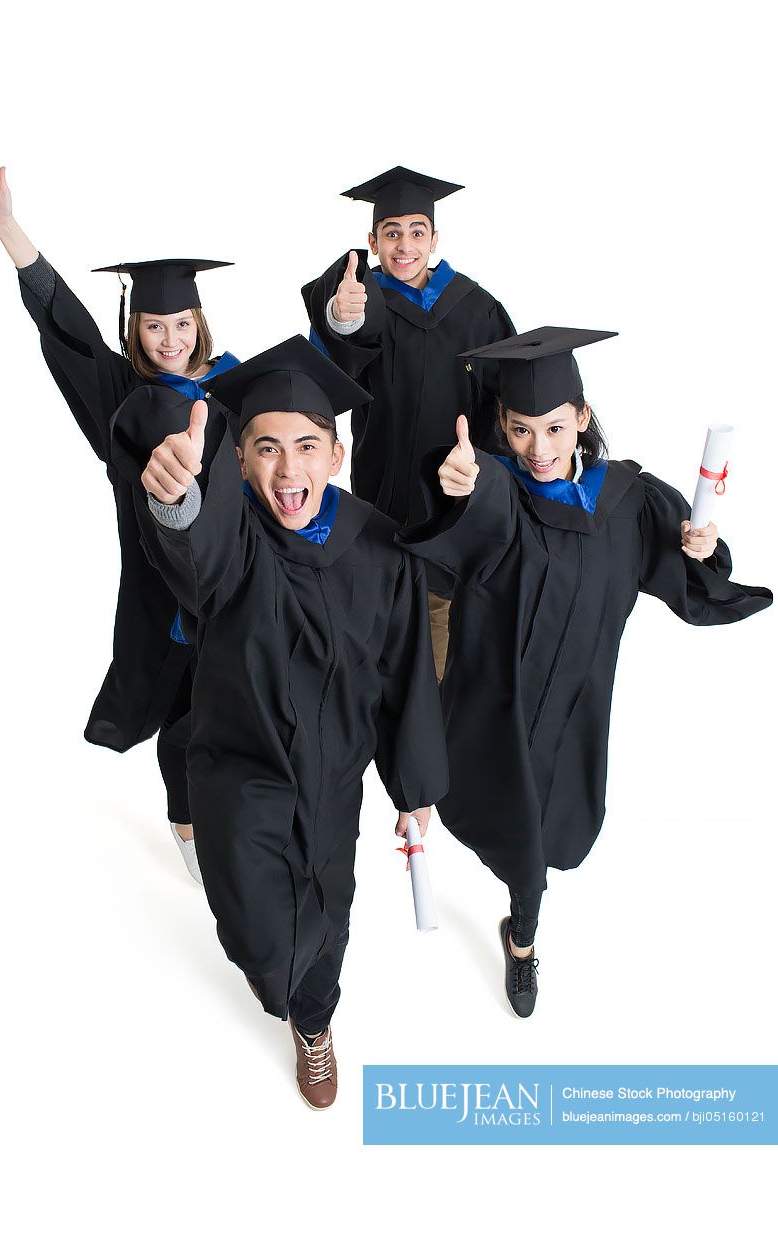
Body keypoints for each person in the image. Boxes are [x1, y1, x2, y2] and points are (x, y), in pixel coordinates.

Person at [111, 336, 448, 1108]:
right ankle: (282, 984)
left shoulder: (383, 547)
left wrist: (413, 783)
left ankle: (316, 1025)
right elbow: (195, 558)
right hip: (240, 768)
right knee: (259, 933)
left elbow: (404, 672)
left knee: (330, 915)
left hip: (334, 778)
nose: (286, 470)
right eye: (264, 447)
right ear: (237, 459)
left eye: (305, 446)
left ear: (337, 453)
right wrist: (175, 498)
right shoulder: (235, 535)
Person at [398, 326, 772, 1017]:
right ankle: (523, 940)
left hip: (577, 705)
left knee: (549, 828)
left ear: (581, 416)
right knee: (520, 838)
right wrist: (455, 484)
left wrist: (700, 546)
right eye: (518, 431)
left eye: (552, 428)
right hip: (494, 702)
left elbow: (688, 578)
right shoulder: (500, 491)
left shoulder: (627, 498)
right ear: (500, 428)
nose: (536, 449)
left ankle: (521, 920)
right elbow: (464, 515)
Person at [0, 167, 239, 883]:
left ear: (199, 321)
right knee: (182, 721)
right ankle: (186, 822)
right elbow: (69, 330)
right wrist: (9, 233)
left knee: (241, 710)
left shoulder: (237, 383)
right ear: (136, 328)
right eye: (155, 324)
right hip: (168, 595)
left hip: (240, 585)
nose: (171, 338)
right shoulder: (123, 396)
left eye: (182, 323)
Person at [302, 166, 516, 680]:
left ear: (434, 238)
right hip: (377, 492)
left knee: (439, 624)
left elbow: (511, 406)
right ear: (372, 241)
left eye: (417, 232)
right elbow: (320, 382)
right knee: (373, 613)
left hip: (453, 502)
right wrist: (339, 320)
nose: (405, 245)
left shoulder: (476, 309)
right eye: (392, 233)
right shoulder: (360, 304)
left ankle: (430, 735)